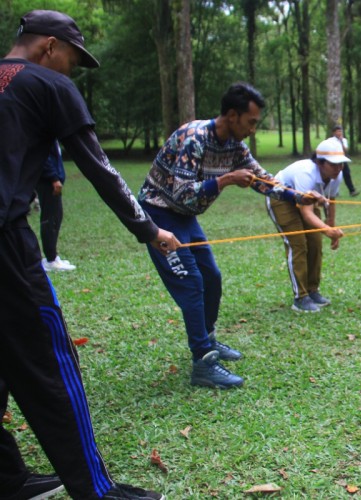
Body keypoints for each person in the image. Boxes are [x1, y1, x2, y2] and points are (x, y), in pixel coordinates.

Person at [1, 10, 180, 500]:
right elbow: (100, 167)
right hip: (5, 245)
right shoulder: (48, 84)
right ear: (49, 47)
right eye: (72, 62)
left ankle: (5, 477)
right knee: (50, 364)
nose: (70, 72)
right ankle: (97, 492)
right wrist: (150, 230)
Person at [139, 82, 320, 389]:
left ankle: (208, 339)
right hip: (160, 214)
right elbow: (183, 194)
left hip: (185, 216)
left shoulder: (235, 147)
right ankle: (203, 362)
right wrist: (225, 180)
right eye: (251, 122)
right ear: (232, 115)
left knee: (212, 276)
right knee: (193, 283)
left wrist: (297, 197)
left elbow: (264, 180)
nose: (253, 129)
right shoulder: (194, 138)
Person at [266, 138, 346, 313]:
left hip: (306, 203)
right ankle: (300, 297)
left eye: (341, 164)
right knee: (298, 244)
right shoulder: (306, 173)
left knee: (315, 242)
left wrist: (331, 226)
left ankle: (313, 290)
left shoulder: (336, 175)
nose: (339, 168)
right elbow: (306, 212)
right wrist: (328, 231)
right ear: (320, 162)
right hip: (280, 200)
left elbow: (330, 201)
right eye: (334, 164)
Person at [36, 141, 77, 271]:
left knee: (56, 217)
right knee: (51, 219)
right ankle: (50, 260)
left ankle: (52, 257)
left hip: (50, 180)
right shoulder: (43, 132)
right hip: (47, 182)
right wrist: (53, 178)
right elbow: (43, 156)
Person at [331, 125, 359, 197]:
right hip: (334, 160)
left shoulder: (344, 140)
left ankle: (352, 190)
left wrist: (341, 142)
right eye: (338, 131)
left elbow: (345, 151)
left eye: (341, 131)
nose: (340, 133)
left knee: (347, 174)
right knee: (335, 176)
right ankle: (334, 191)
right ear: (334, 133)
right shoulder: (331, 141)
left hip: (342, 159)